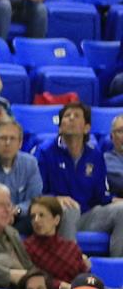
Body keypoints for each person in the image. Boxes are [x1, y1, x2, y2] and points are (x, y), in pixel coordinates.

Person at [37, 102, 123, 255]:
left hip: (87, 216)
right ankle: (70, 267)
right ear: (60, 125)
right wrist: (55, 199)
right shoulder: (45, 151)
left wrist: (114, 200)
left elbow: (101, 196)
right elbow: (36, 193)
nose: (70, 119)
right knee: (71, 208)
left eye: (76, 116)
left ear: (86, 128)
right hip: (58, 215)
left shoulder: (95, 155)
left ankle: (117, 267)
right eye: (66, 116)